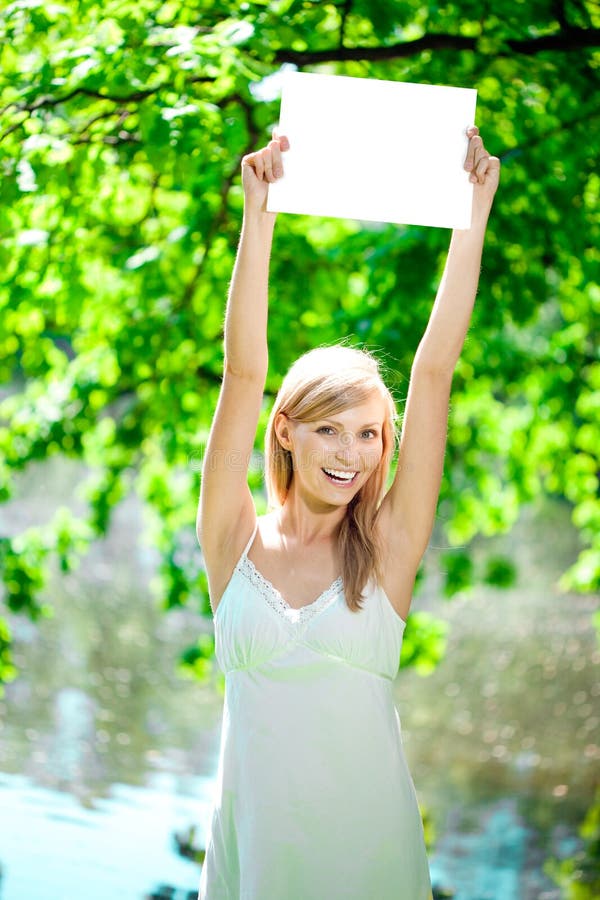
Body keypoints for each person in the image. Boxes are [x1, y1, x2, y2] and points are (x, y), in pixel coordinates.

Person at [196, 124, 500, 899]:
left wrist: (473, 216)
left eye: (369, 434)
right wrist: (256, 216)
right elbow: (242, 371)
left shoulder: (389, 550)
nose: (350, 452)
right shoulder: (232, 542)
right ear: (287, 431)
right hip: (257, 862)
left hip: (369, 864)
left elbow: (433, 372)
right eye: (329, 428)